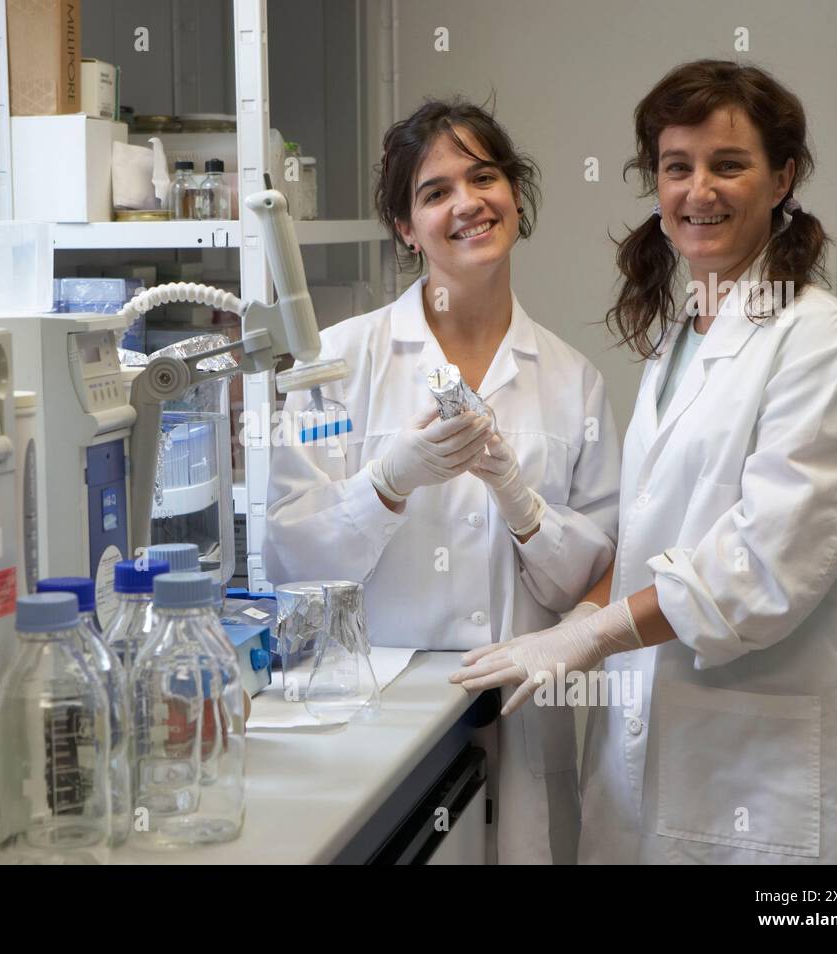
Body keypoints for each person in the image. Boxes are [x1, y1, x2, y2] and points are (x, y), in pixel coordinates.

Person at [452, 60, 837, 864]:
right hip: (670, 738)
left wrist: (595, 635)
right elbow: (650, 532)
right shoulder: (684, 340)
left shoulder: (819, 340)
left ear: (783, 179)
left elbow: (764, 568)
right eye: (677, 167)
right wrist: (570, 626)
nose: (698, 190)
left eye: (728, 165)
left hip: (772, 759)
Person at [263, 100, 620, 864]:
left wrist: (523, 507)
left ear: (515, 197)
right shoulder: (336, 364)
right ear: (405, 227)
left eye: (484, 177)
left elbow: (591, 584)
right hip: (384, 735)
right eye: (434, 192)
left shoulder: (573, 381)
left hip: (526, 729)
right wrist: (386, 484)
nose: (467, 203)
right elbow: (292, 567)